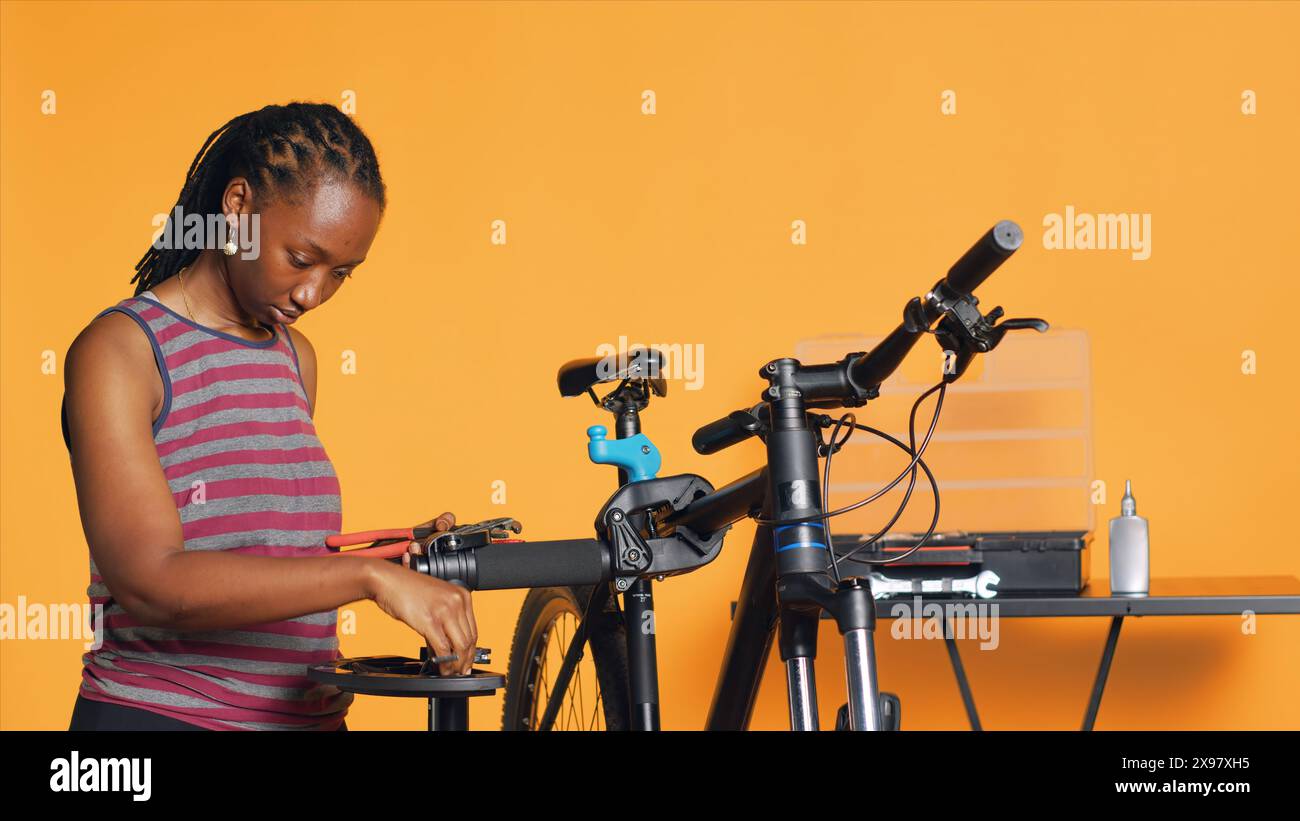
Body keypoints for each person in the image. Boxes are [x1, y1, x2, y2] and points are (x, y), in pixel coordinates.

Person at [62, 102, 476, 730]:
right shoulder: (121, 352)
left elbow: (266, 552)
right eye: (301, 258)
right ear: (237, 207)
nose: (313, 294)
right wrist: (362, 576)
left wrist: (391, 560)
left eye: (341, 273)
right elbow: (152, 584)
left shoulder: (294, 359)